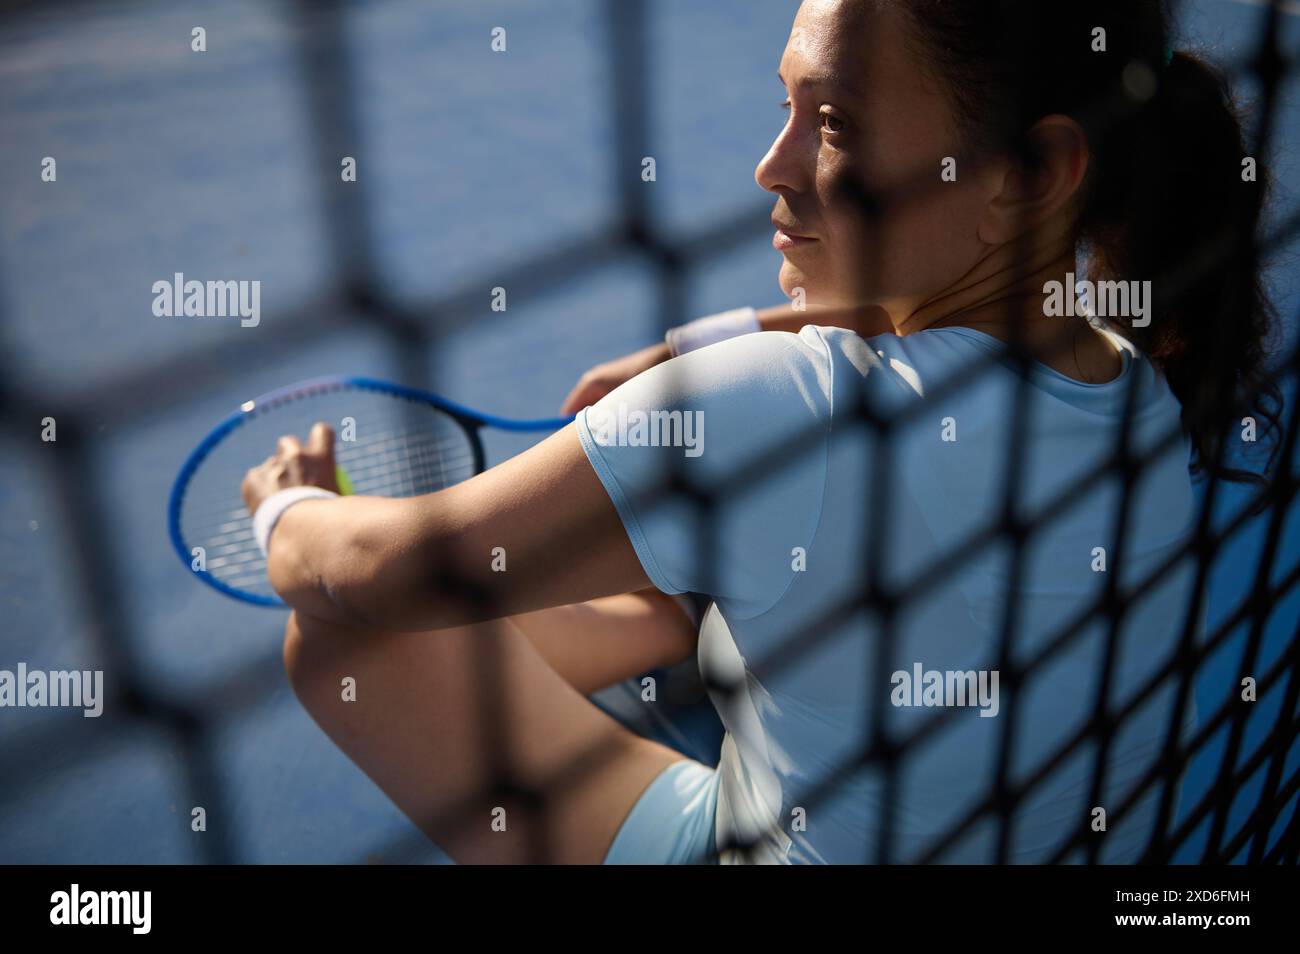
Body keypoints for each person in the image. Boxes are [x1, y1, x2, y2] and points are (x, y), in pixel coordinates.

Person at [241, 0, 1281, 863]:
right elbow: (902, 321)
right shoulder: (1140, 370)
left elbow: (367, 571)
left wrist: (290, 511)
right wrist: (717, 342)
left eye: (832, 126)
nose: (770, 167)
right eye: (787, 107)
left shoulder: (764, 412)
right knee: (727, 562)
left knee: (339, 635)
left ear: (1029, 172)